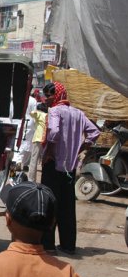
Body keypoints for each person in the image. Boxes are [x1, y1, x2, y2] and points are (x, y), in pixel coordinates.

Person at [41, 81, 100, 255]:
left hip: (53, 164)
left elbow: (53, 132)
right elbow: (94, 132)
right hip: (70, 167)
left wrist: (49, 152)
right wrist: (81, 147)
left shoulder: (55, 111)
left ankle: (48, 245)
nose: (47, 99)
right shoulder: (78, 114)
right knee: (67, 206)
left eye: (50, 95)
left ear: (57, 94)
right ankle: (68, 245)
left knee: (49, 203)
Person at [28, 102, 48, 183]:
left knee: (34, 161)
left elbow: (31, 113)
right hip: (45, 140)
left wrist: (36, 110)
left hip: (38, 140)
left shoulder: (39, 114)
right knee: (44, 161)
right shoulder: (47, 115)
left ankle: (31, 180)